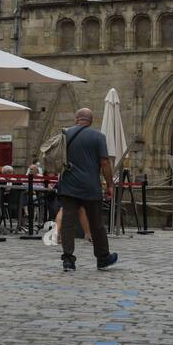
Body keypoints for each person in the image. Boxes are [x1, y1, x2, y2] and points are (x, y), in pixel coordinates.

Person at [57, 108, 117, 272]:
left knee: (68, 223)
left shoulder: (65, 134)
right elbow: (105, 162)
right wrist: (110, 184)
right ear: (91, 121)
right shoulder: (99, 137)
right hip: (91, 186)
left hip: (68, 186)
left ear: (76, 119)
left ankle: (68, 260)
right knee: (96, 223)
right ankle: (103, 258)